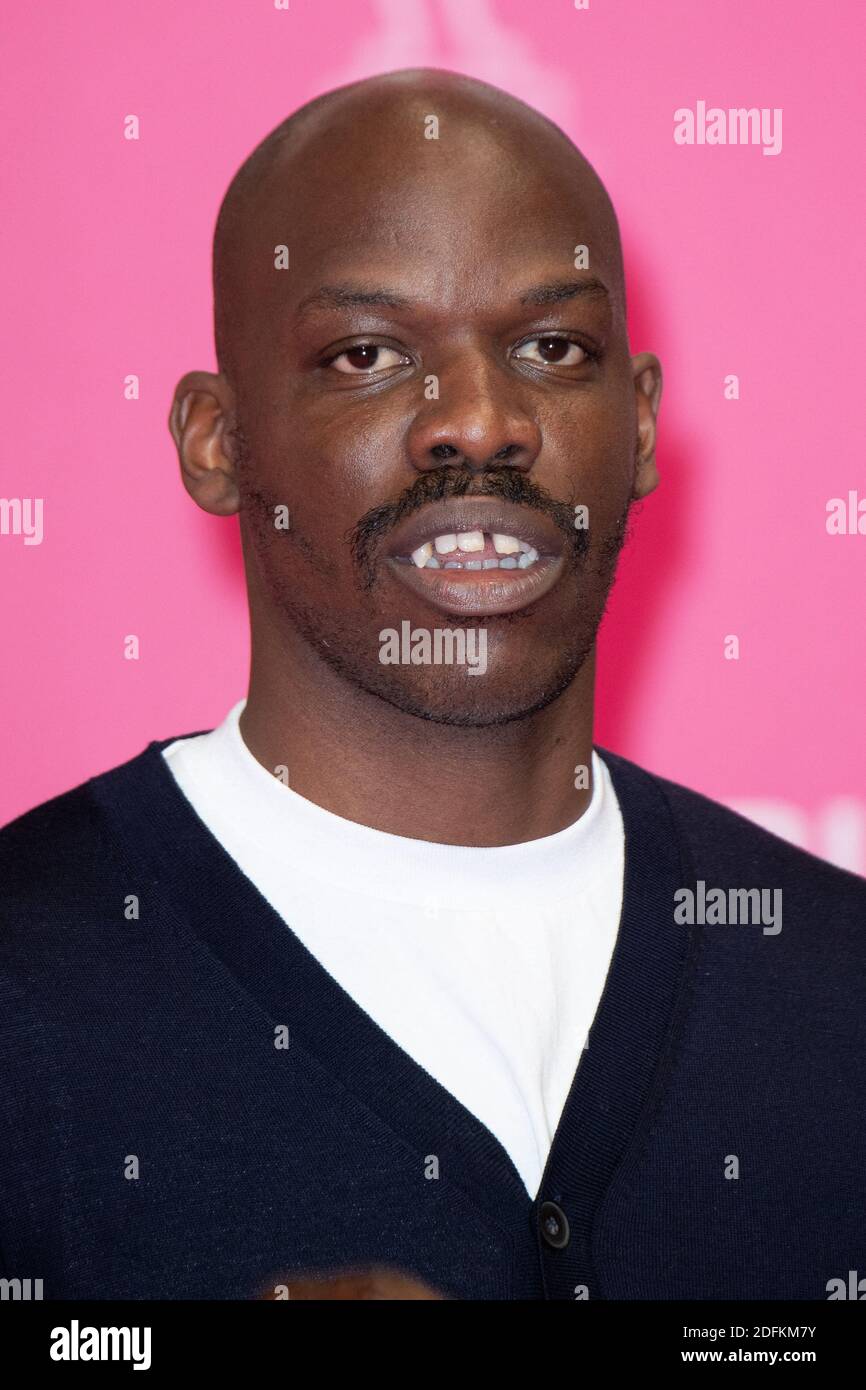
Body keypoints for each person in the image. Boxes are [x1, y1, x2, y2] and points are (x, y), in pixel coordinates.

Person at [1, 69, 864, 1302]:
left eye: (549, 345)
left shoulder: (837, 984)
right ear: (215, 440)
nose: (475, 418)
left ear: (636, 423)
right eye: (365, 354)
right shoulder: (29, 988)